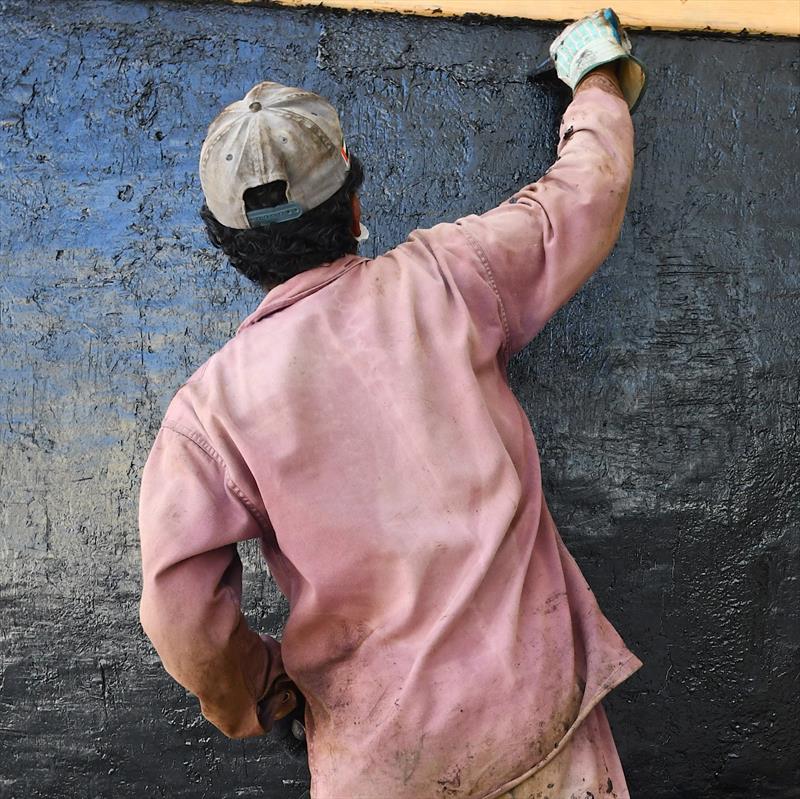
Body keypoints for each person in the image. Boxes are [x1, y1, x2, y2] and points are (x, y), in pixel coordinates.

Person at [138, 8, 647, 798]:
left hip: (382, 767)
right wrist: (596, 76)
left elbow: (182, 618)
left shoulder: (207, 418)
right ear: (349, 192)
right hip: (540, 725)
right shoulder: (446, 278)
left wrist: (264, 695)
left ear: (227, 244)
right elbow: (586, 193)